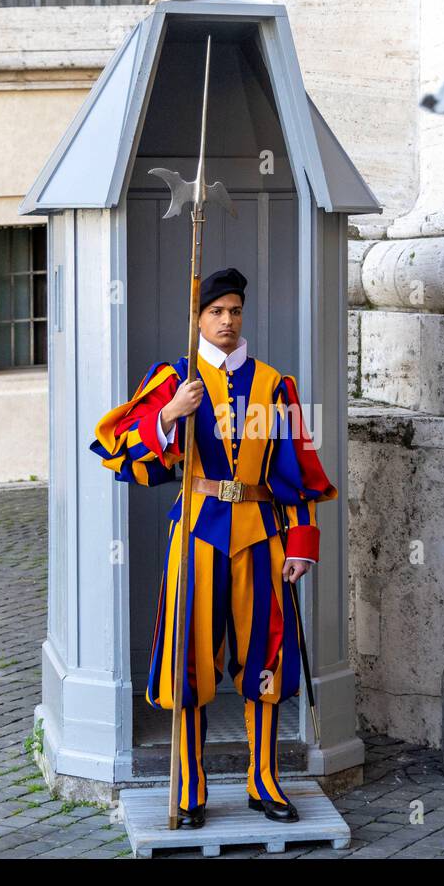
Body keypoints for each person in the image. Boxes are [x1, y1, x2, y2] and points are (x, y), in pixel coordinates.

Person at [89, 267, 337, 827]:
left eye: (234, 311)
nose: (227, 321)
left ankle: (265, 779)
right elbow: (123, 453)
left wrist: (300, 543)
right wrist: (171, 416)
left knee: (265, 658)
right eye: (216, 312)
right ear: (198, 318)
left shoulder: (274, 384)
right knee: (190, 661)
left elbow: (294, 470)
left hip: (260, 536)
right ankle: (190, 788)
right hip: (197, 533)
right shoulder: (173, 378)